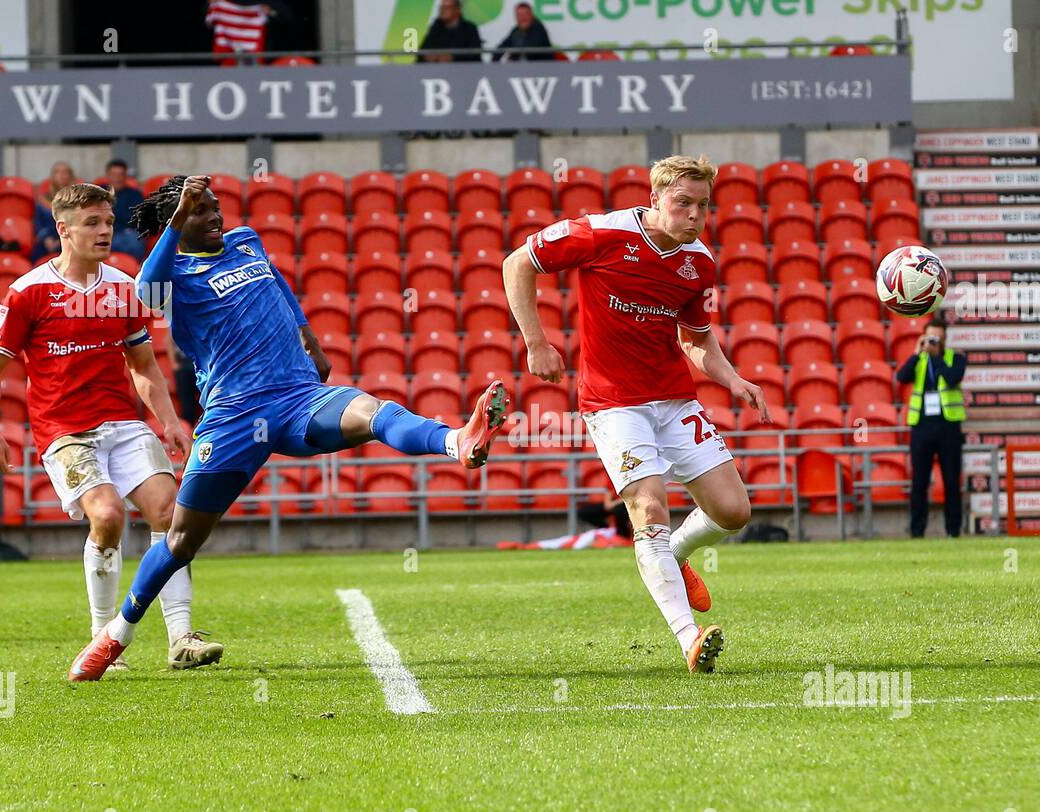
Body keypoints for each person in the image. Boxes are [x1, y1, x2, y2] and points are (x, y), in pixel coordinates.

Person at [65, 175, 511, 682]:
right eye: (199, 212)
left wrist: (309, 337)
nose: (215, 217)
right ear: (176, 224)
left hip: (298, 396)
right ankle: (115, 636)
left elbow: (278, 285)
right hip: (234, 415)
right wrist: (176, 217)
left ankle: (459, 440)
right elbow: (147, 293)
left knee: (373, 412)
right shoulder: (174, 274)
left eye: (215, 207)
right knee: (181, 540)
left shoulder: (245, 241)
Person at [503, 155, 771, 674]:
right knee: (649, 511)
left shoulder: (699, 262)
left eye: (703, 206)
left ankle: (679, 556)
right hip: (613, 403)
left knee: (734, 512)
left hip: (673, 399)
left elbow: (695, 339)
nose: (695, 215)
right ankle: (689, 638)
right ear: (655, 199)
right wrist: (536, 343)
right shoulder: (601, 234)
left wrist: (733, 378)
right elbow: (518, 263)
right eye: (683, 203)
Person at [0, 182, 218, 675]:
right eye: (92, 223)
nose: (104, 230)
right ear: (63, 230)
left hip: (123, 425)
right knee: (107, 517)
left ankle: (181, 637)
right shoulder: (27, 292)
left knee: (171, 514)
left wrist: (169, 421)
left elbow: (145, 365)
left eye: (108, 222)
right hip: (64, 431)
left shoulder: (122, 287)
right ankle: (104, 638)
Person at [894, 316, 967, 538]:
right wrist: (917, 353)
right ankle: (917, 532)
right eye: (930, 337)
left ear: (945, 337)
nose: (933, 341)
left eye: (937, 337)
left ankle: (953, 531)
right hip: (922, 427)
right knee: (919, 482)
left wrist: (939, 359)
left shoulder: (956, 358)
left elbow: (953, 378)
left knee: (951, 481)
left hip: (948, 427)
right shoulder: (920, 360)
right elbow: (902, 377)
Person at [33, 161, 76, 263]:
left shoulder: (78, 199)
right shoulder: (44, 200)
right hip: (47, 240)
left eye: (65, 172)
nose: (61, 175)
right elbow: (39, 223)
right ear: (52, 176)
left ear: (71, 175)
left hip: (70, 238)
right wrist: (46, 239)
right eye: (57, 172)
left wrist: (61, 241)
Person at [103, 159, 146, 260]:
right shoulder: (97, 192)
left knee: (135, 240)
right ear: (107, 175)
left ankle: (133, 269)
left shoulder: (135, 194)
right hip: (101, 231)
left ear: (125, 176)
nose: (117, 178)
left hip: (125, 234)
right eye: (114, 174)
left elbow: (135, 220)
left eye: (120, 174)